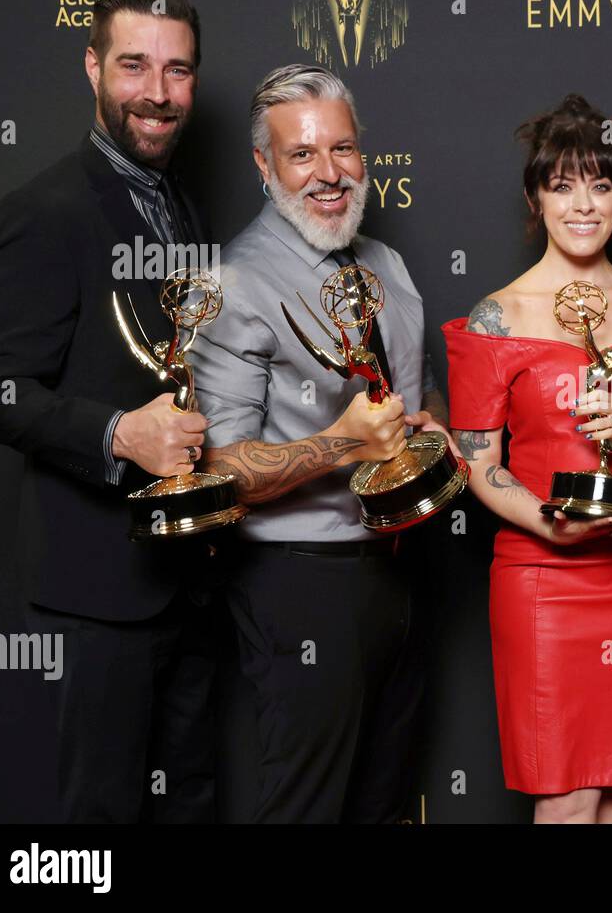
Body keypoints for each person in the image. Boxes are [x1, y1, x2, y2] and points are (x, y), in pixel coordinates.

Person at [0, 0, 214, 822]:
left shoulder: (180, 208)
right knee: (100, 823)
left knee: (187, 805)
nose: (156, 92)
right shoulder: (44, 211)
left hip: (187, 578)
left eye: (177, 71)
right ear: (91, 66)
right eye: (134, 65)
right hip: (97, 590)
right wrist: (118, 433)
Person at [185, 64, 448, 823]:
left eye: (343, 148)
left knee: (384, 804)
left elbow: (414, 386)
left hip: (400, 575)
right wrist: (342, 442)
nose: (329, 174)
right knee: (307, 809)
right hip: (300, 584)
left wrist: (426, 420)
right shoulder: (235, 281)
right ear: (265, 166)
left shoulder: (387, 266)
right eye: (302, 154)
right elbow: (223, 469)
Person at [443, 94, 612, 824]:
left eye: (599, 184)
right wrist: (548, 521)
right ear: (535, 198)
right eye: (562, 185)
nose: (582, 204)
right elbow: (479, 464)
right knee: (566, 800)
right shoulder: (497, 316)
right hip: (545, 577)